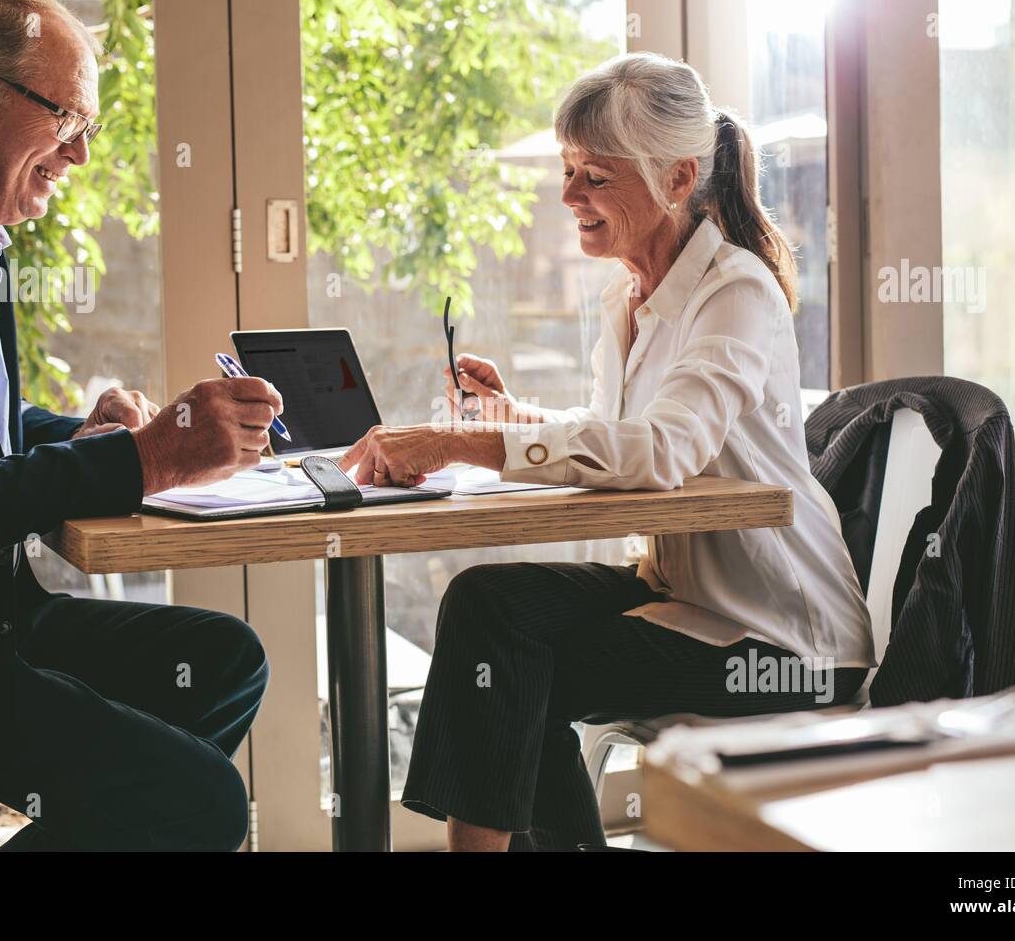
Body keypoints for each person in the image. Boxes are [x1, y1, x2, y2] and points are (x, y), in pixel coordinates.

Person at [337, 52, 876, 851]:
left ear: (677, 178)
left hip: (781, 642)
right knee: (488, 607)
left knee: (524, 669)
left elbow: (659, 451)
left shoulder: (737, 291)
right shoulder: (627, 296)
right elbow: (617, 429)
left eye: (593, 175)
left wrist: (462, 439)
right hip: (680, 597)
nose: (568, 196)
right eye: (567, 169)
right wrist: (509, 414)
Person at [0, 0, 279, 850]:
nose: (78, 156)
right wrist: (141, 463)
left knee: (227, 665)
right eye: (66, 118)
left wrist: (77, 435)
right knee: (203, 803)